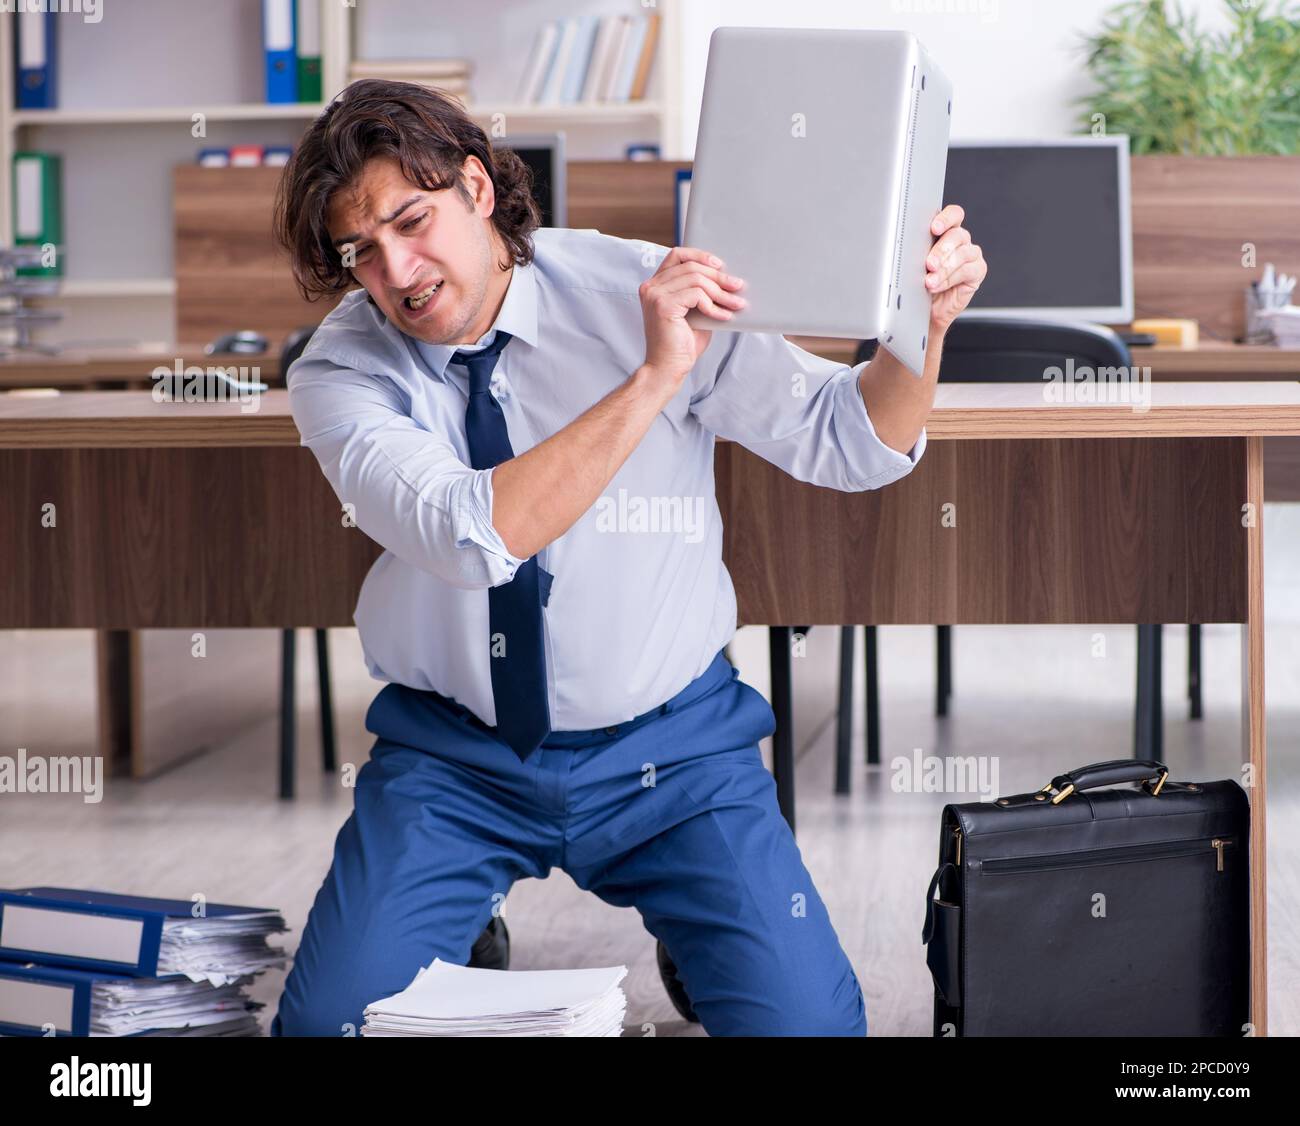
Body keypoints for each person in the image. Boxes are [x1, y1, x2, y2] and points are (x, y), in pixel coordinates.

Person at [269, 78, 987, 1037]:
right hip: (457, 757)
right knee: (326, 1029)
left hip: (674, 745)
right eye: (364, 251)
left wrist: (922, 326)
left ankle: (689, 918)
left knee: (807, 1026)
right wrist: (656, 378)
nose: (397, 270)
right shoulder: (341, 366)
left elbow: (850, 439)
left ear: (477, 190)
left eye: (413, 221)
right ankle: (461, 917)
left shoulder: (632, 285)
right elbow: (466, 531)